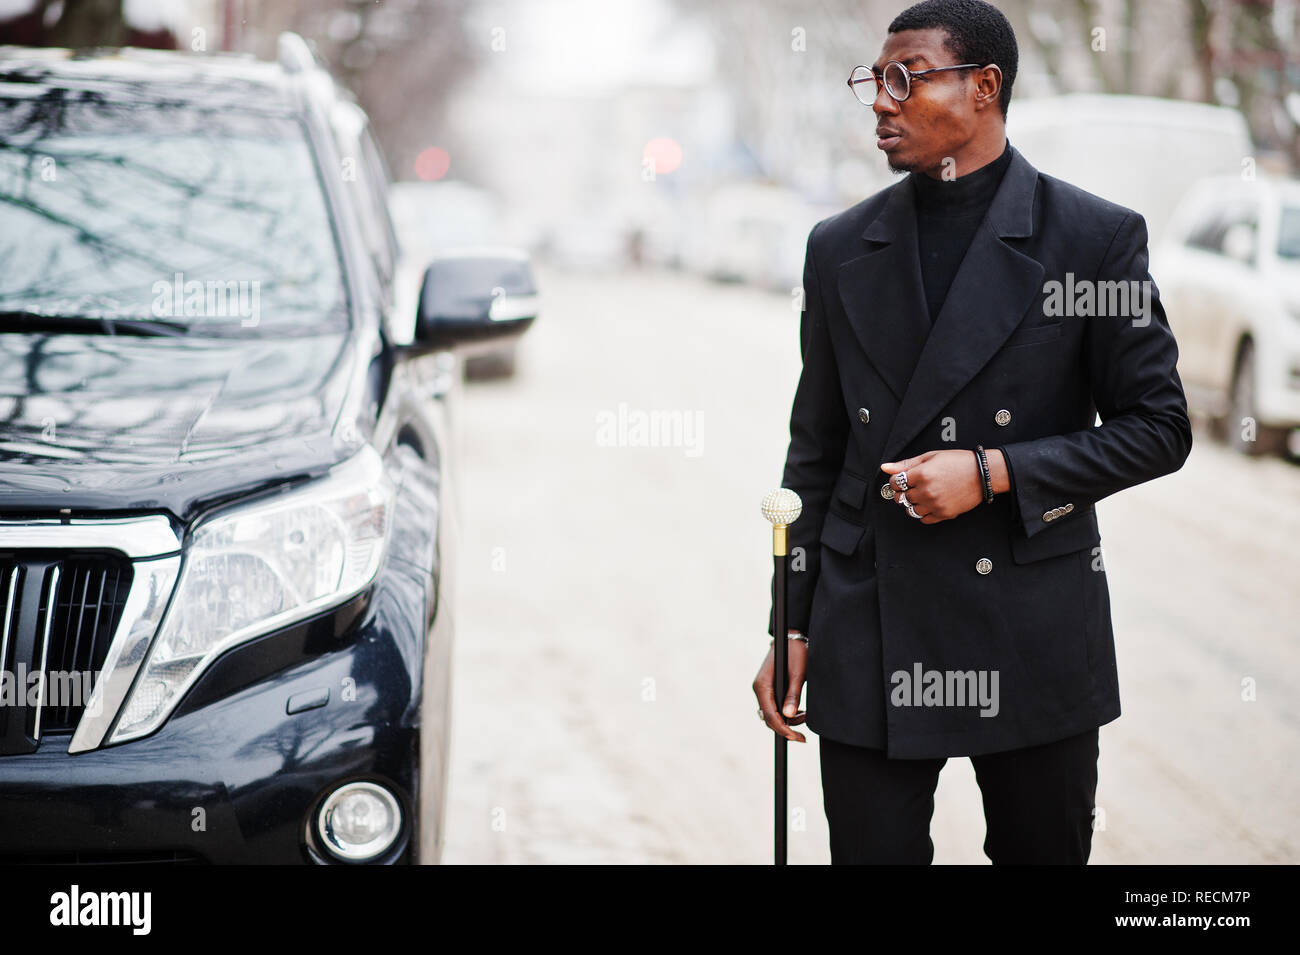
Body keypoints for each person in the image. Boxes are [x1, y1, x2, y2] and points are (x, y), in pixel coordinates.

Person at [752, 0, 1193, 864]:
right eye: (875, 81)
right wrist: (790, 623)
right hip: (871, 620)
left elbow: (1160, 426)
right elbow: (816, 449)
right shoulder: (839, 247)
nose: (882, 100)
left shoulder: (1093, 240)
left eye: (905, 78)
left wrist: (992, 471)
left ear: (984, 87)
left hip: (1027, 627)